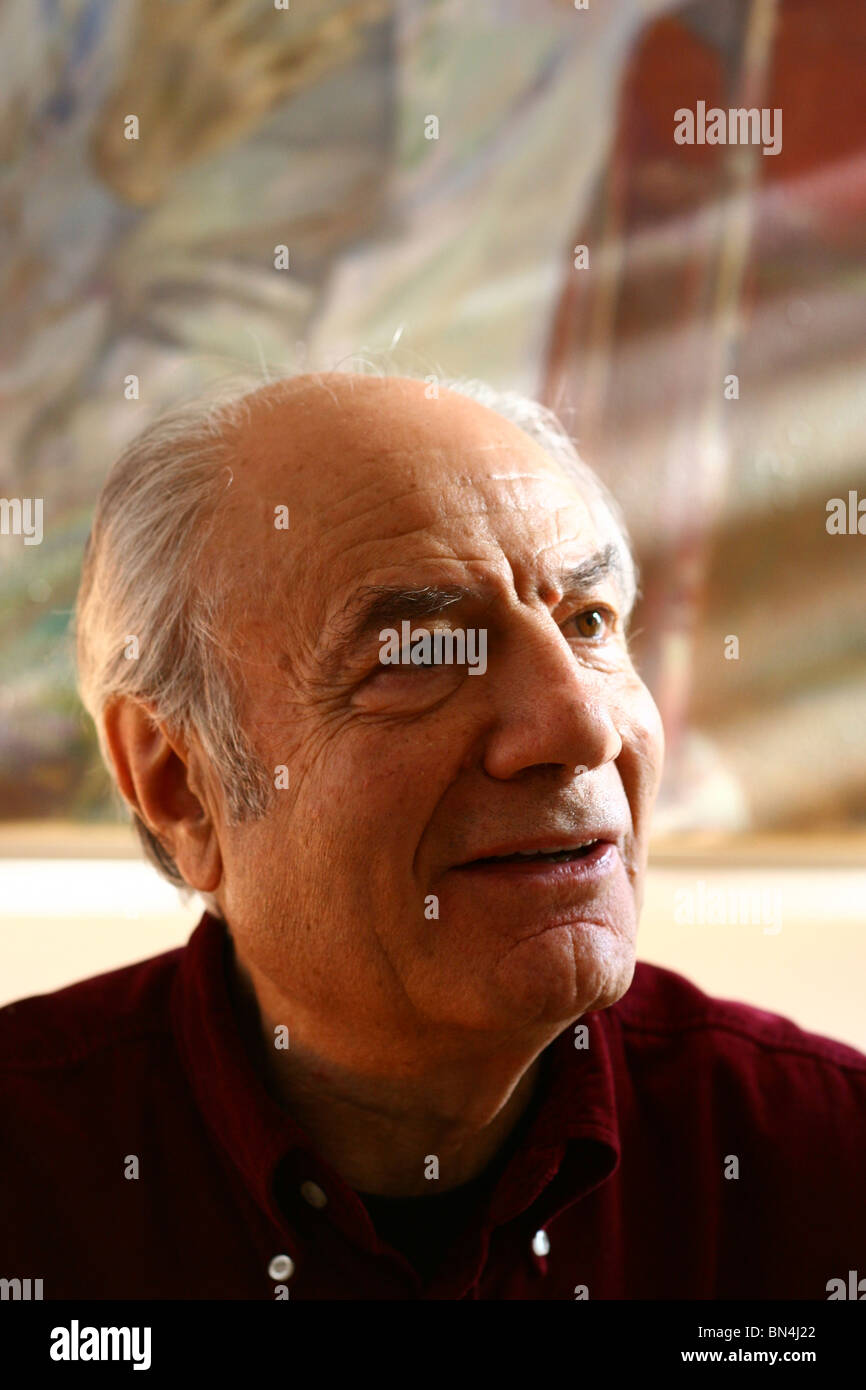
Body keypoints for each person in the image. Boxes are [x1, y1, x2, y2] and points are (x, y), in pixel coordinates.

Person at [1, 368, 864, 1300]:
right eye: (421, 653)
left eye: (588, 622)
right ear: (180, 785)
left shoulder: (821, 1160)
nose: (581, 729)